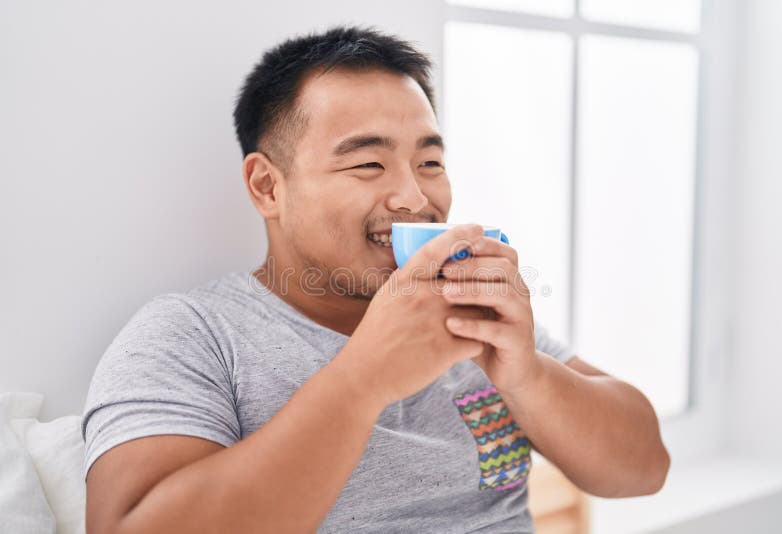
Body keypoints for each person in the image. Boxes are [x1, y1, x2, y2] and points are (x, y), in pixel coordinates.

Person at [82, 25, 670, 534]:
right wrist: (365, 378)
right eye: (368, 163)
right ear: (267, 186)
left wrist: (529, 373)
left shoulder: (471, 307)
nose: (416, 198)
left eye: (430, 163)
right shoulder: (191, 334)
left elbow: (644, 469)